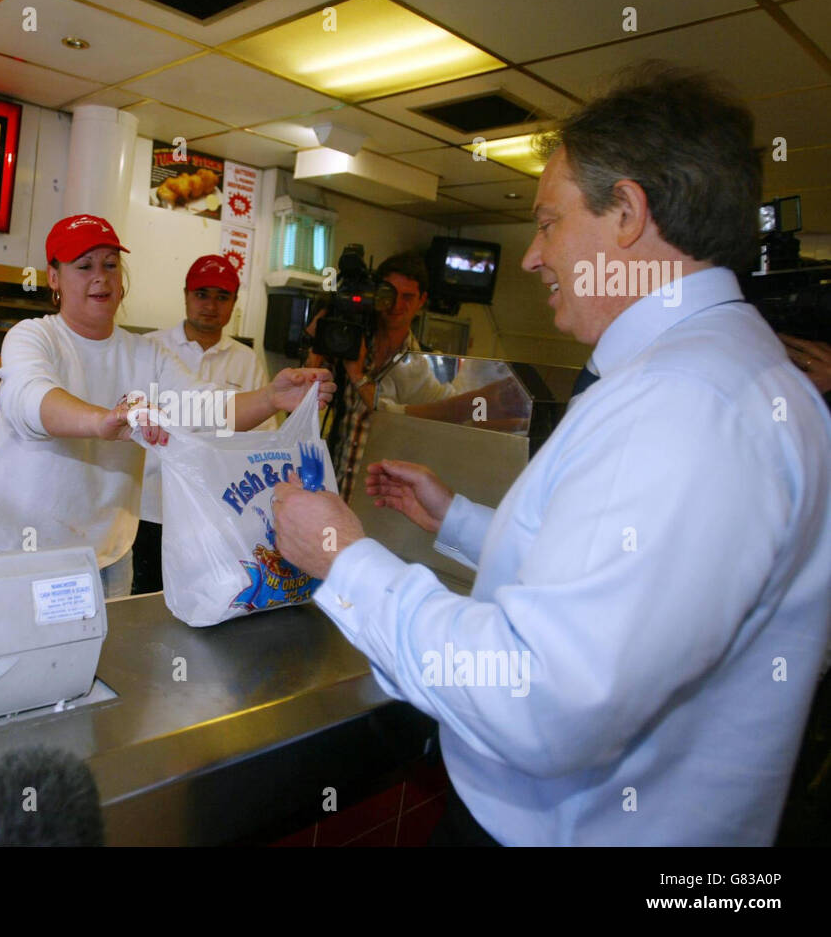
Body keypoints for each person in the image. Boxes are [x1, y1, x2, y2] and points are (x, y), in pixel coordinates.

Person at [270, 63, 831, 845]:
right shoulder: (735, 374)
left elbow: (542, 696)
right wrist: (459, 519)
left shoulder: (684, 405)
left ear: (627, 212)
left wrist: (345, 558)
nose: (534, 257)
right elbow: (616, 573)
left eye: (548, 222)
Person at [0, 214, 332, 600]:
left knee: (103, 661)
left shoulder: (146, 355)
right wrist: (102, 421)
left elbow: (205, 409)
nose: (102, 277)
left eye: (111, 264)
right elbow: (30, 399)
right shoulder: (34, 336)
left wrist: (270, 398)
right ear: (54, 277)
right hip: (17, 552)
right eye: (84, 266)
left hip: (106, 560)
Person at [304, 252, 523, 499]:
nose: (397, 305)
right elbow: (304, 402)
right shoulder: (350, 345)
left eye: (408, 297)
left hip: (381, 499)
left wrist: (358, 376)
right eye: (390, 294)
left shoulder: (424, 365)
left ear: (422, 301)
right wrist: (318, 338)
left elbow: (450, 417)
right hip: (334, 486)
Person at [132, 254, 273, 594]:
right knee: (144, 600)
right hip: (152, 507)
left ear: (234, 303)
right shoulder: (149, 348)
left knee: (203, 599)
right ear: (185, 295)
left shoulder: (246, 361)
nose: (211, 305)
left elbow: (263, 440)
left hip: (216, 513)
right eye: (202, 294)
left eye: (222, 297)